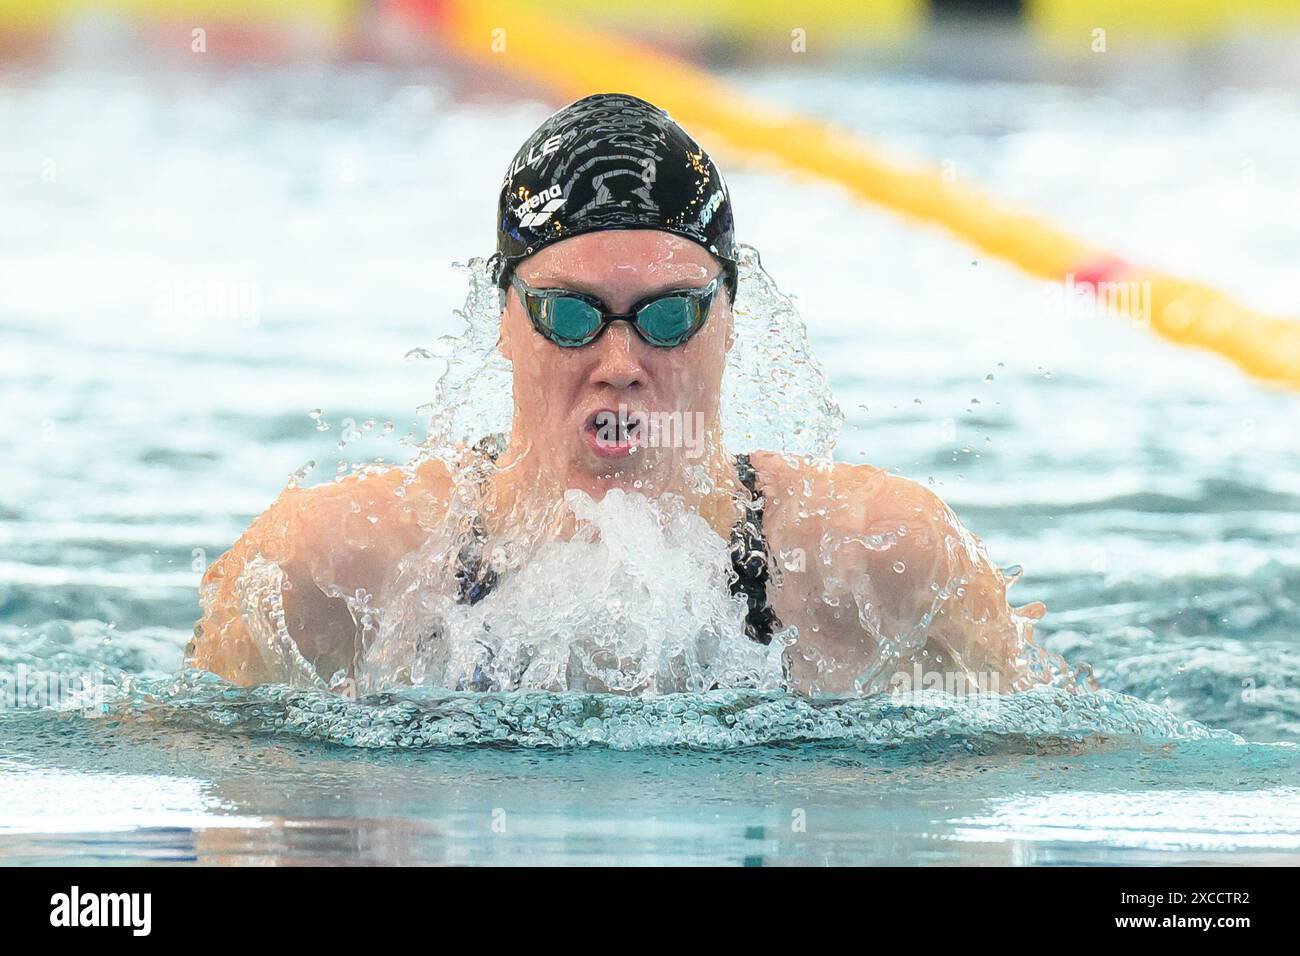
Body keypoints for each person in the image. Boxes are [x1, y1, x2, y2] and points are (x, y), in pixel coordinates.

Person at [189, 92, 1051, 696]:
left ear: (730, 321)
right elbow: (201, 774)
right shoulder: (333, 567)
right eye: (569, 314)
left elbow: (1033, 767)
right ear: (505, 322)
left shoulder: (880, 562)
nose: (619, 359)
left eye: (669, 315)